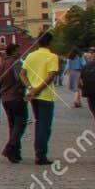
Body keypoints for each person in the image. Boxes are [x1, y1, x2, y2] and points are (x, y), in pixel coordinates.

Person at [21, 33, 61, 165]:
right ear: (50, 43)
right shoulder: (52, 57)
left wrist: (30, 88)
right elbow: (51, 76)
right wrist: (37, 89)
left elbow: (22, 74)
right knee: (45, 125)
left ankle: (38, 152)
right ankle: (41, 154)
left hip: (33, 96)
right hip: (45, 95)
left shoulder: (30, 56)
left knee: (39, 123)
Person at [0, 44, 30, 163]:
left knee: (12, 125)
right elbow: (20, 78)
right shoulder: (16, 63)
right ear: (13, 51)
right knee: (21, 123)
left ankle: (15, 153)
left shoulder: (1, 64)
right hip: (16, 96)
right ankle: (10, 148)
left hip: (5, 97)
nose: (20, 52)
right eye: (18, 50)